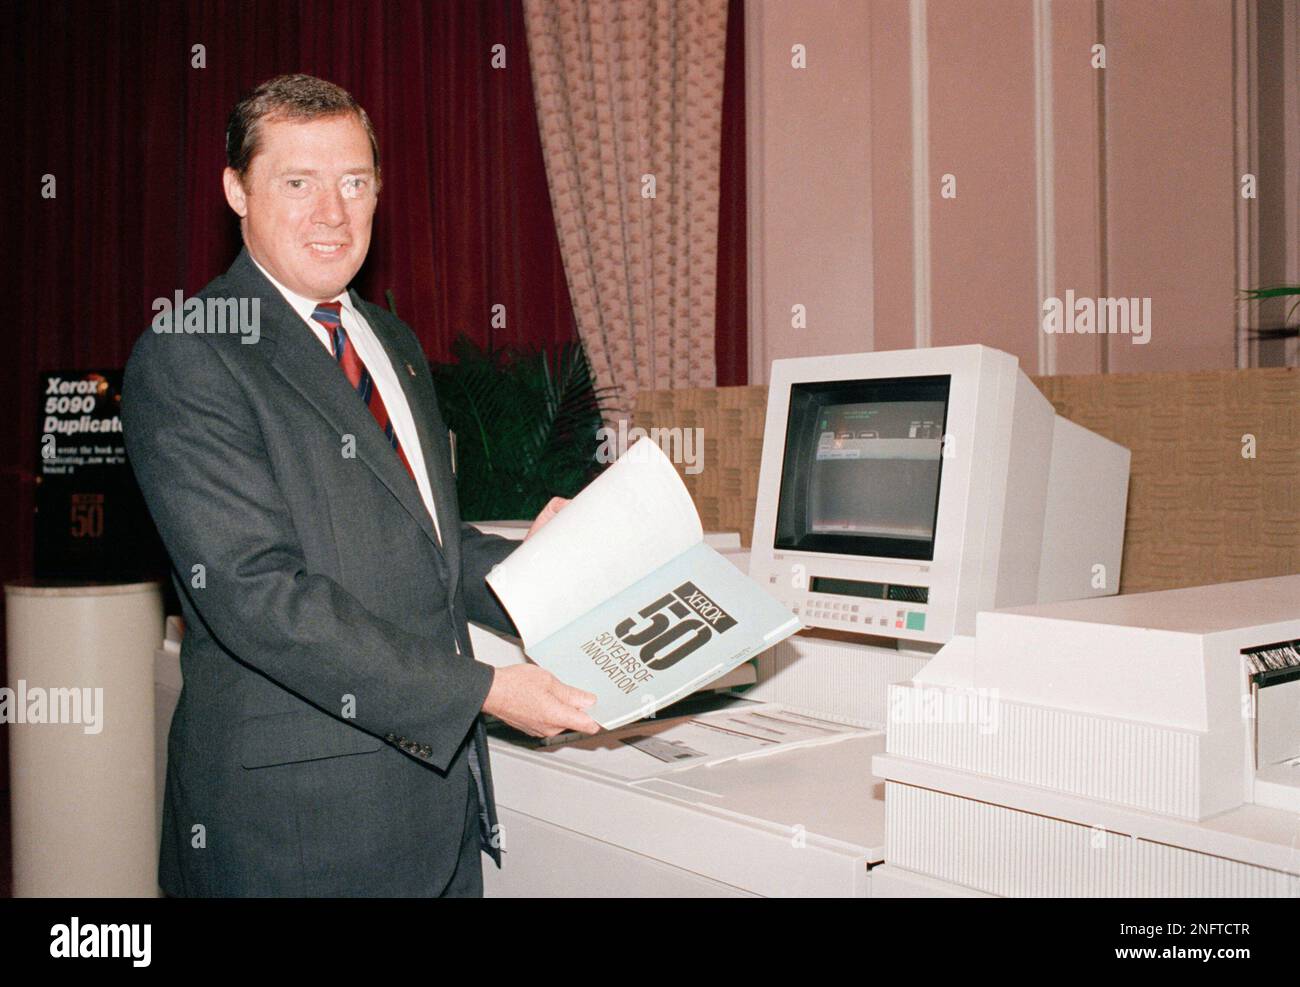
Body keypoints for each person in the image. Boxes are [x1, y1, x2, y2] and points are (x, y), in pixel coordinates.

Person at [123, 73, 599, 897]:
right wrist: (486, 691)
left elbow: (426, 549)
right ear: (237, 190)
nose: (332, 213)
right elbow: (260, 597)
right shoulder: (190, 351)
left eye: (353, 182)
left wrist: (541, 560)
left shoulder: (391, 340)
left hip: (439, 810)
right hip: (295, 833)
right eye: (297, 182)